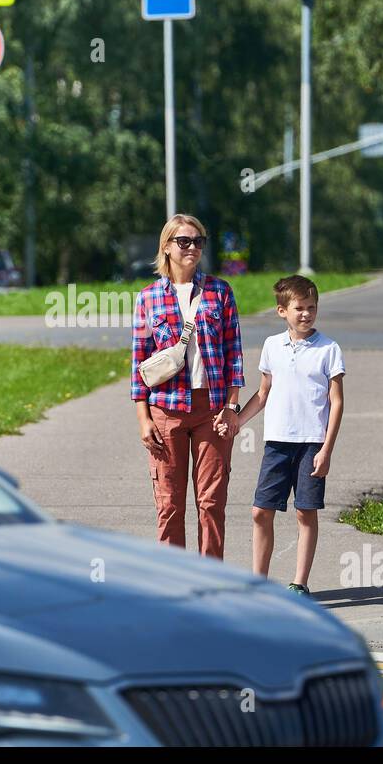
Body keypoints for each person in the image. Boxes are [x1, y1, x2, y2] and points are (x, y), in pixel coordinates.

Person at [131, 214, 244, 559]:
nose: (192, 247)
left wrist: (231, 407)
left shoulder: (219, 292)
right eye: (184, 241)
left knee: (211, 502)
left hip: (211, 410)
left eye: (198, 241)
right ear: (166, 247)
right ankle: (175, 580)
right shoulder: (148, 298)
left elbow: (233, 355)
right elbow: (139, 362)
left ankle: (211, 579)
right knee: (169, 503)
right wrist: (143, 418)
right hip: (165, 409)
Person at [226, 275, 344, 594]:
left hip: (312, 445)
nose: (306, 313)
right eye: (299, 308)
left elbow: (337, 402)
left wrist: (327, 450)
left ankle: (299, 583)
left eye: (312, 307)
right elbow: (264, 393)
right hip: (277, 444)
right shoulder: (271, 346)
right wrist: (237, 421)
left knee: (306, 512)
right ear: (282, 311)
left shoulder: (328, 349)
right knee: (260, 511)